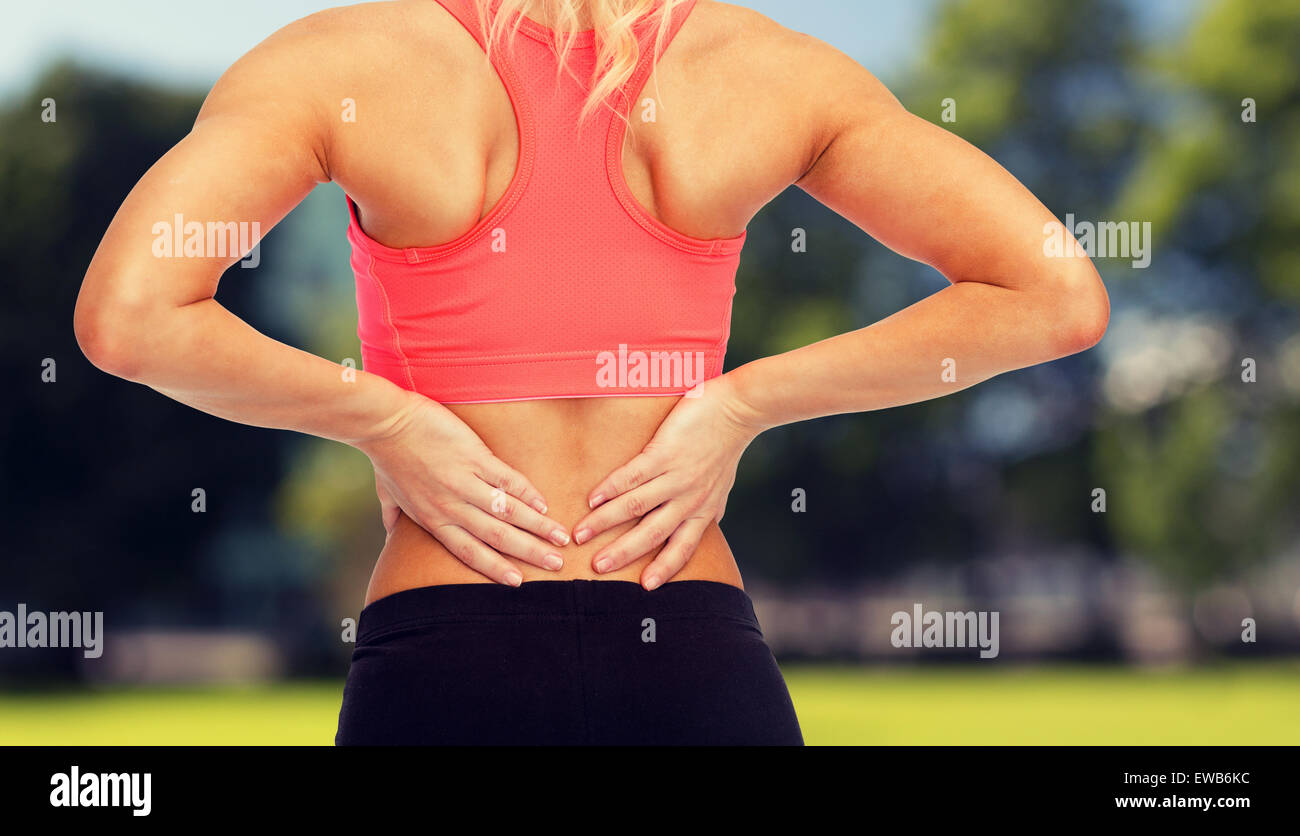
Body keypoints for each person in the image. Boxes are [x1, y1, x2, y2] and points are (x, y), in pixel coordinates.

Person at [74, 0, 1108, 744]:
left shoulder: (344, 58)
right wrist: (741, 403)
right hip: (692, 653)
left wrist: (387, 421)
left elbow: (129, 317)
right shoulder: (765, 66)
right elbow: (1055, 296)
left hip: (447, 654)